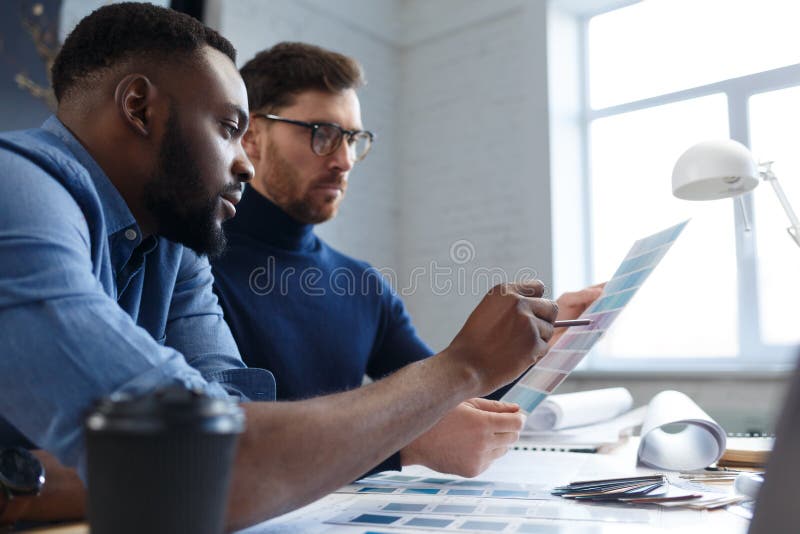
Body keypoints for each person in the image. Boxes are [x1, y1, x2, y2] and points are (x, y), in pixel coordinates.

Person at [0, 4, 558, 530]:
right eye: (227, 127)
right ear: (139, 107)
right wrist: (459, 368)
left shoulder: (174, 247)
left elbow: (235, 431)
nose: (243, 161)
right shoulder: (15, 193)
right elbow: (217, 468)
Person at [210, 41, 603, 471]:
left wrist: (545, 341)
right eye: (322, 134)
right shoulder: (189, 271)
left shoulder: (361, 285)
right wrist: (402, 448)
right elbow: (220, 448)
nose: (345, 161)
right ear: (253, 137)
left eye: (353, 139)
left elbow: (454, 403)